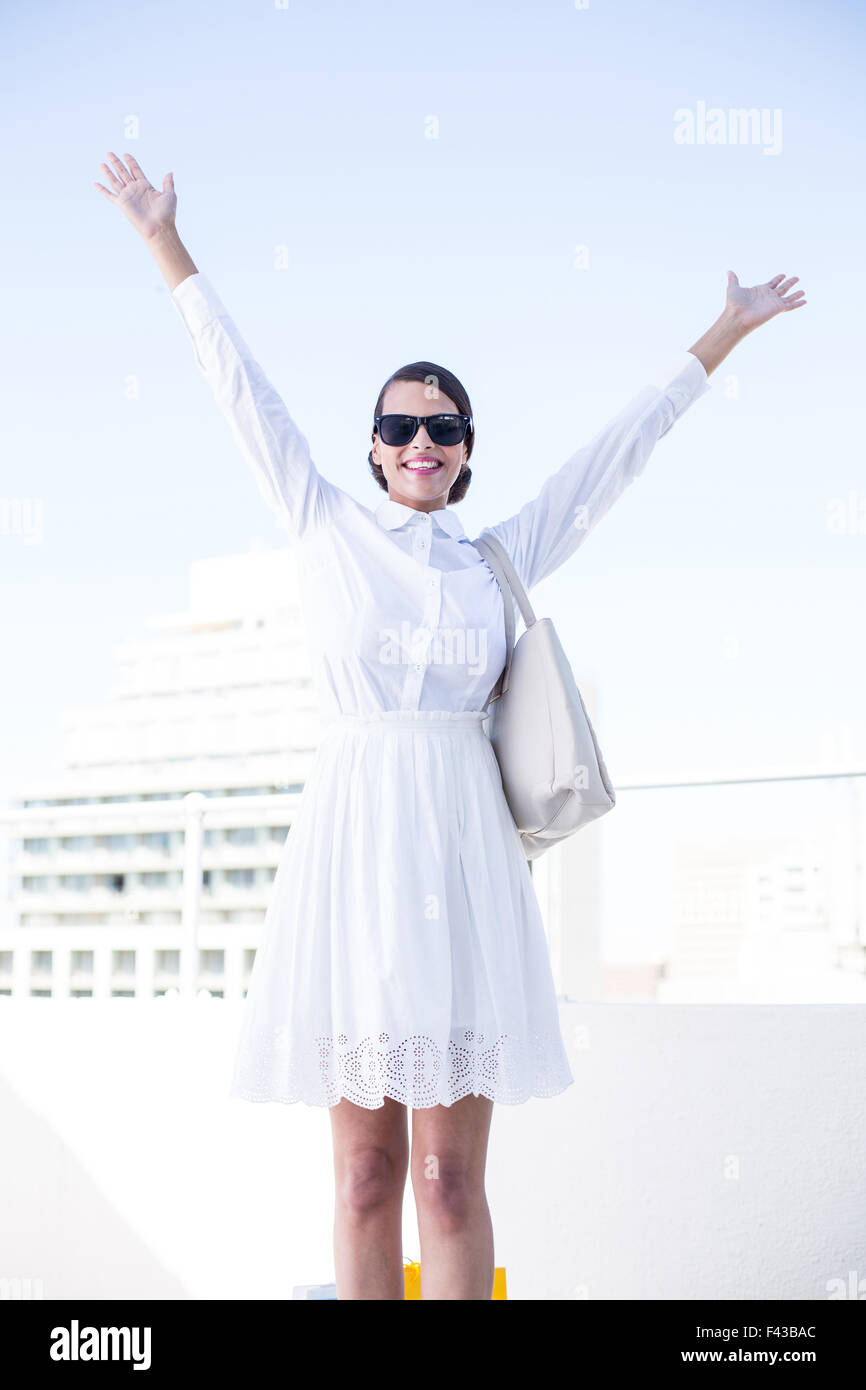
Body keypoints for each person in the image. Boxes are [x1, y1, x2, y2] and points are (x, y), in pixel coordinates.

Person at [94, 151, 806, 1300]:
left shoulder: (494, 560)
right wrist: (161, 241)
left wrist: (719, 333)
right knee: (367, 1179)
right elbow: (235, 380)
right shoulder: (322, 525)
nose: (421, 441)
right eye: (400, 423)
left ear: (466, 451)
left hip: (461, 870)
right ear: (372, 443)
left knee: (448, 1187)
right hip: (352, 863)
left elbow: (616, 457)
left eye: (444, 426)